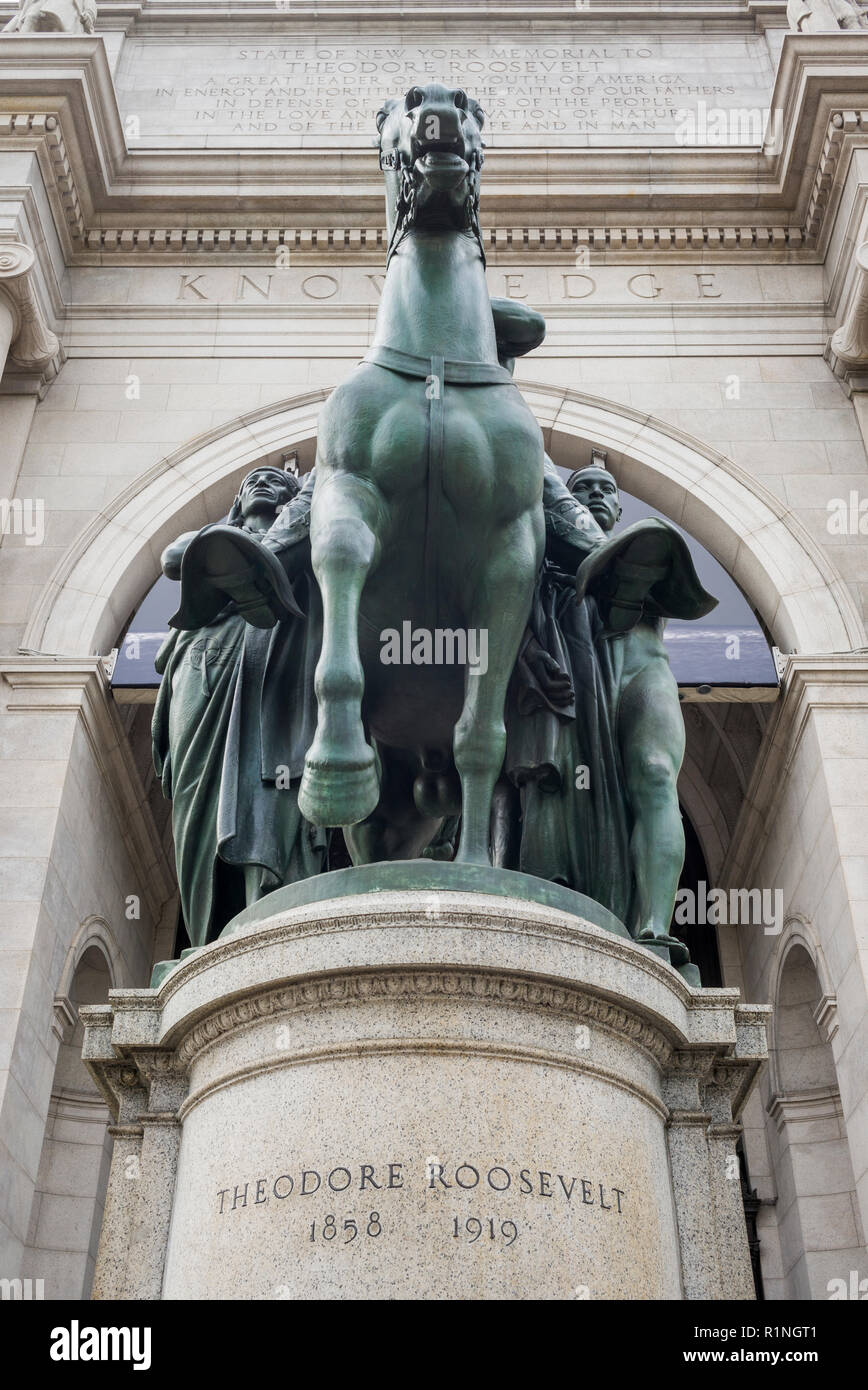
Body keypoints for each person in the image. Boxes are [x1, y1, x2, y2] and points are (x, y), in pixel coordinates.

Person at [507, 460, 717, 953]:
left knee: (656, 773)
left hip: (643, 676)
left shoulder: (640, 553)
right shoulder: (548, 566)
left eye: (606, 489)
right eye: (584, 490)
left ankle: (654, 926)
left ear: (620, 506)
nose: (597, 495)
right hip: (578, 692)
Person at [152, 465, 326, 946]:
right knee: (196, 800)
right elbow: (173, 557)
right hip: (206, 668)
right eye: (254, 479)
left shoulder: (308, 542)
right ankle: (209, 937)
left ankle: (270, 914)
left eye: (277, 481)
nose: (263, 484)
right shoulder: (214, 539)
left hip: (281, 668)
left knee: (273, 787)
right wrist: (239, 553)